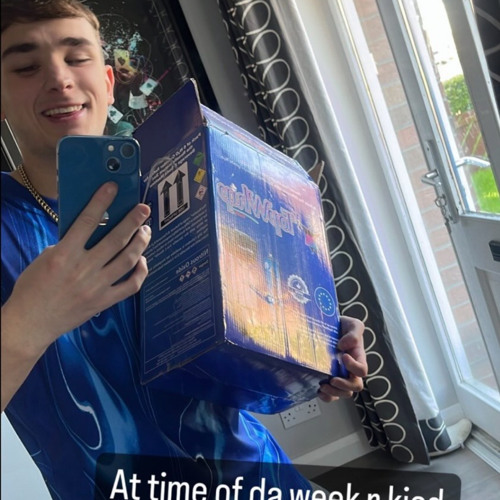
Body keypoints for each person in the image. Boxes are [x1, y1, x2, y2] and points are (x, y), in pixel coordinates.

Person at [1, 0, 368, 497]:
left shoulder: (184, 182)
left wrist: (312, 339)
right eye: (26, 66)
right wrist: (29, 321)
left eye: (77, 57)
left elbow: (244, 338)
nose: (59, 79)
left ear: (108, 82)